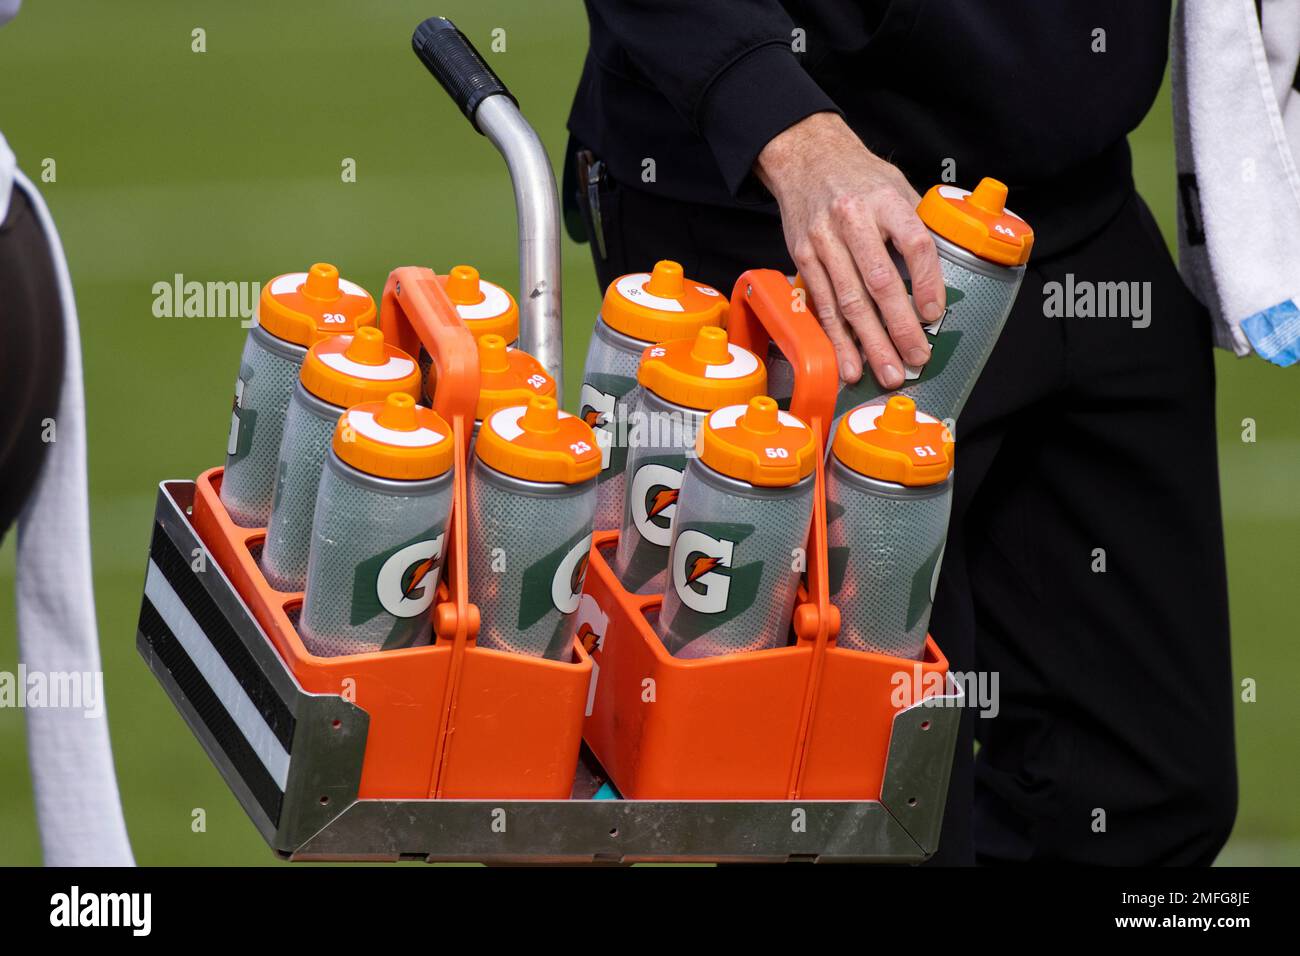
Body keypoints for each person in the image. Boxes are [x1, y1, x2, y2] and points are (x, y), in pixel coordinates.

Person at [565, 0, 1243, 864]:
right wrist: (784, 124)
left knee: (1143, 793)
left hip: (1078, 200)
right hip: (791, 211)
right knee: (873, 814)